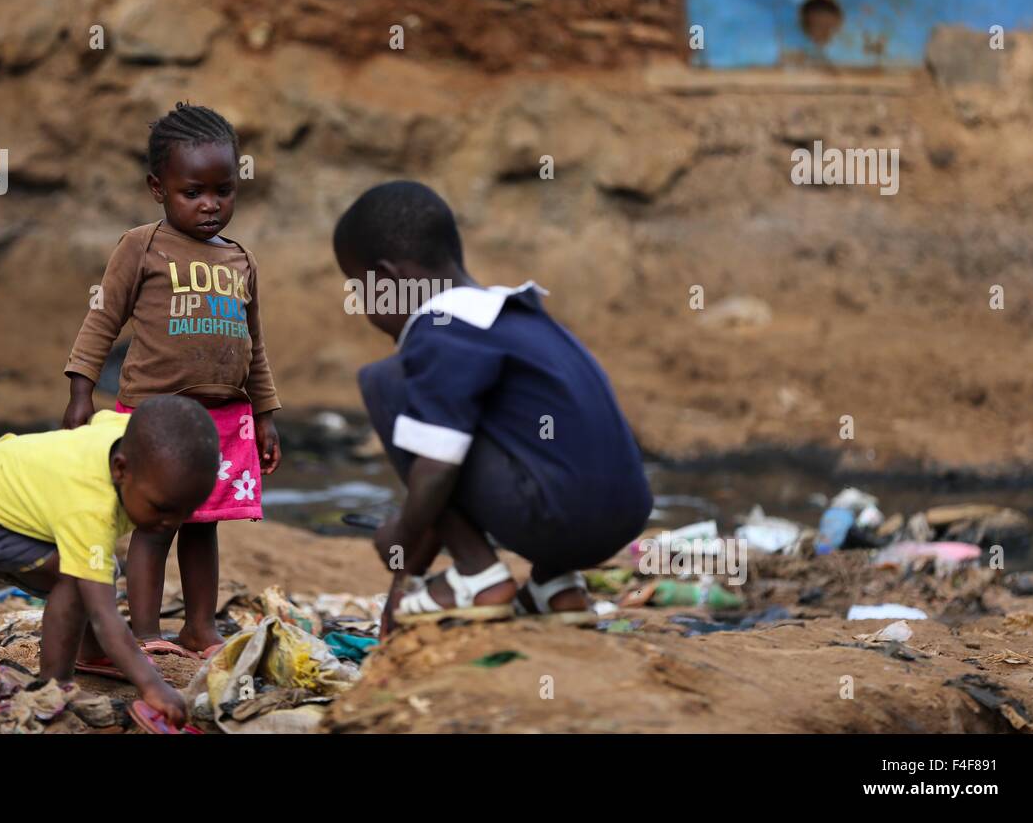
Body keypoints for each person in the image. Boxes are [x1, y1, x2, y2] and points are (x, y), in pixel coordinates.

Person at [332, 180, 653, 628]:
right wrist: (404, 583)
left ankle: (479, 577)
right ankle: (555, 587)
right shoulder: (517, 317)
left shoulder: (439, 329)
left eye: (358, 288)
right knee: (508, 431)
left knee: (386, 381)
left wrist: (401, 533)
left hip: (555, 517)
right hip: (625, 514)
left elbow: (439, 467)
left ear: (388, 280)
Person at [63, 103, 281, 660]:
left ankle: (199, 628)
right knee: (155, 524)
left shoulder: (241, 260)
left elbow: (253, 345)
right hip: (155, 418)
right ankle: (144, 632)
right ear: (158, 188)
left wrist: (266, 415)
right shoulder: (142, 246)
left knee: (205, 525)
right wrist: (81, 390)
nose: (211, 205)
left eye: (224, 190)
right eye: (194, 192)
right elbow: (103, 319)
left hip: (223, 421)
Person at [0, 397, 220, 726]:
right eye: (161, 508)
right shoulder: (90, 506)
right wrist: (152, 686)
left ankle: (92, 654)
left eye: (186, 512)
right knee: (75, 580)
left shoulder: (126, 440)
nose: (171, 523)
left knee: (98, 570)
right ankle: (54, 686)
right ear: (120, 469)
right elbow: (103, 614)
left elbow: (101, 421)